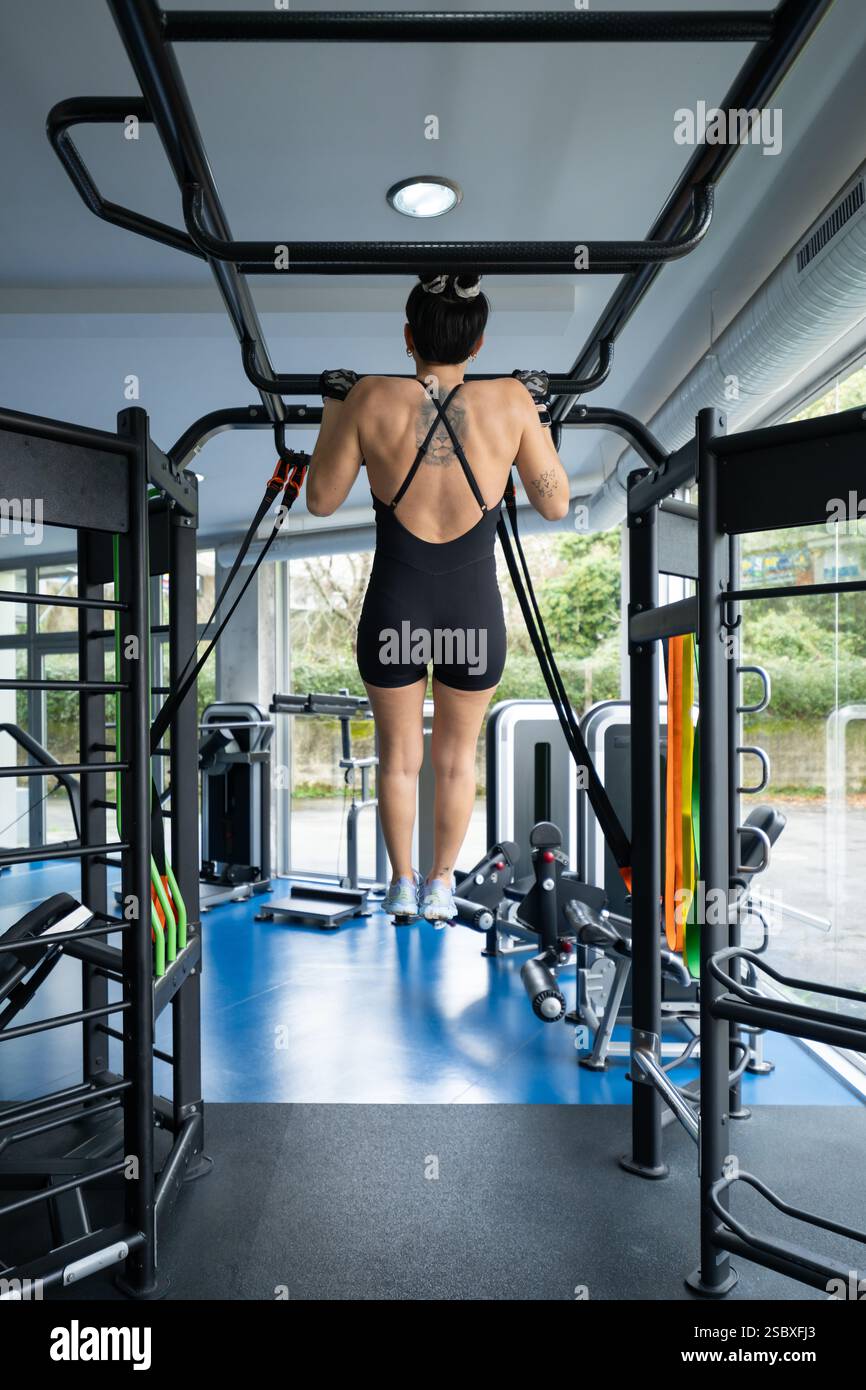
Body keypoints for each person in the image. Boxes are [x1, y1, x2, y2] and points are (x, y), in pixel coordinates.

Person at [306, 271, 569, 923]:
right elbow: (556, 503)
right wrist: (534, 413)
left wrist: (335, 408)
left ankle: (401, 884)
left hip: (398, 603)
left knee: (400, 758)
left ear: (406, 338)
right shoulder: (509, 401)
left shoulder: (369, 399)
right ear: (478, 345)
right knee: (454, 760)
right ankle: (441, 884)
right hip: (471, 612)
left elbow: (319, 499)